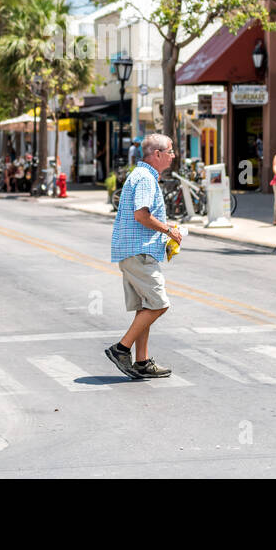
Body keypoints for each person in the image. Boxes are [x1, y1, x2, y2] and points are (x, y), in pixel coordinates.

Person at [105, 132, 180, 380]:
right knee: (159, 304)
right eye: (170, 151)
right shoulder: (146, 178)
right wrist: (169, 229)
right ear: (157, 155)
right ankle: (122, 349)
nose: (173, 155)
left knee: (146, 306)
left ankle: (142, 361)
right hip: (139, 251)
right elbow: (142, 215)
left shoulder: (140, 175)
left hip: (132, 250)